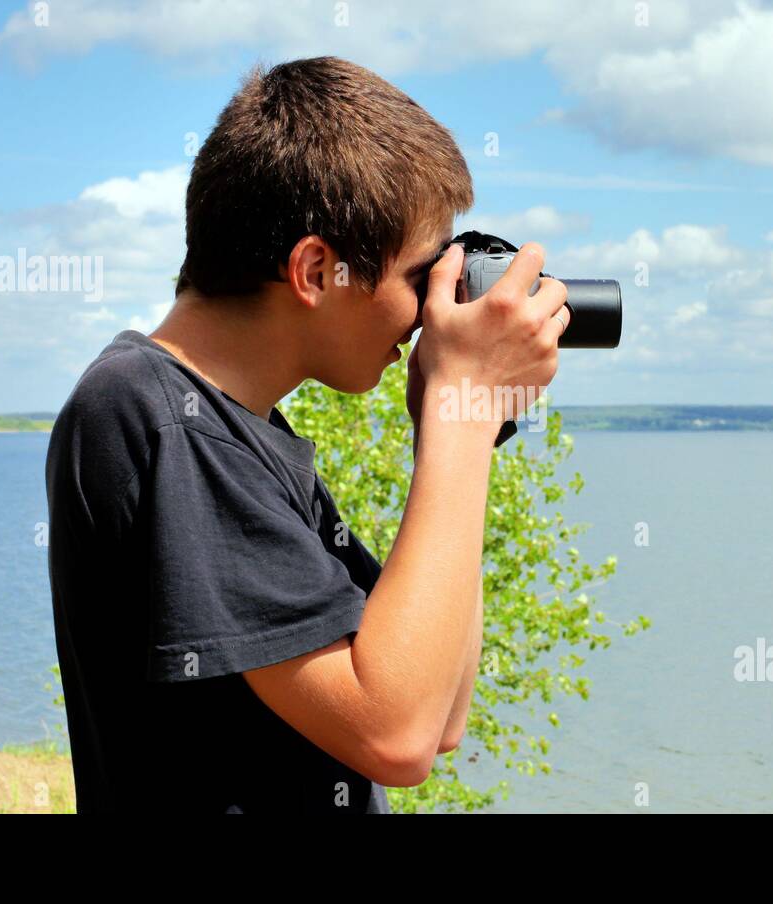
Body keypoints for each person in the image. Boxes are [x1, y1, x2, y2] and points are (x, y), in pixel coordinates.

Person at [44, 56, 570, 813]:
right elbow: (398, 735)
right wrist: (464, 401)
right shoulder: (159, 417)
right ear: (317, 270)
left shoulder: (237, 429)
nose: (431, 311)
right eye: (421, 276)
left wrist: (460, 429)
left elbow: (440, 709)